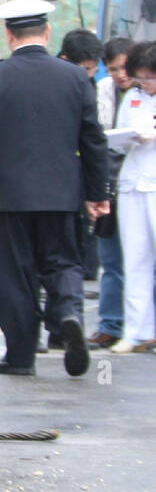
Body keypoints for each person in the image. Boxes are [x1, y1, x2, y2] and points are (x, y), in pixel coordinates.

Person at [0, 0, 108, 377]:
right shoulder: (75, 78)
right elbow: (93, 140)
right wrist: (97, 193)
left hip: (9, 196)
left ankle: (21, 355)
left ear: (8, 35)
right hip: (62, 194)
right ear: (48, 32)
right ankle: (69, 312)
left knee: (15, 273)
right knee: (64, 261)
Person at [109, 41, 156, 353]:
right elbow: (117, 139)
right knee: (135, 258)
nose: (144, 84)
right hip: (132, 183)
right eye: (140, 78)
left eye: (149, 77)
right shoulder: (132, 99)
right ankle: (137, 330)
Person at [92, 37, 134, 346]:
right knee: (112, 262)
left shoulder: (146, 92)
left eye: (125, 68)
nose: (121, 75)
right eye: (114, 69)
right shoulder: (103, 90)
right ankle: (111, 323)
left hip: (140, 186)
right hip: (110, 186)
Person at [59, 28, 105, 283]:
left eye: (93, 69)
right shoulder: (58, 82)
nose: (90, 75)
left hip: (82, 171)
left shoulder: (88, 83)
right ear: (66, 60)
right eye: (86, 68)